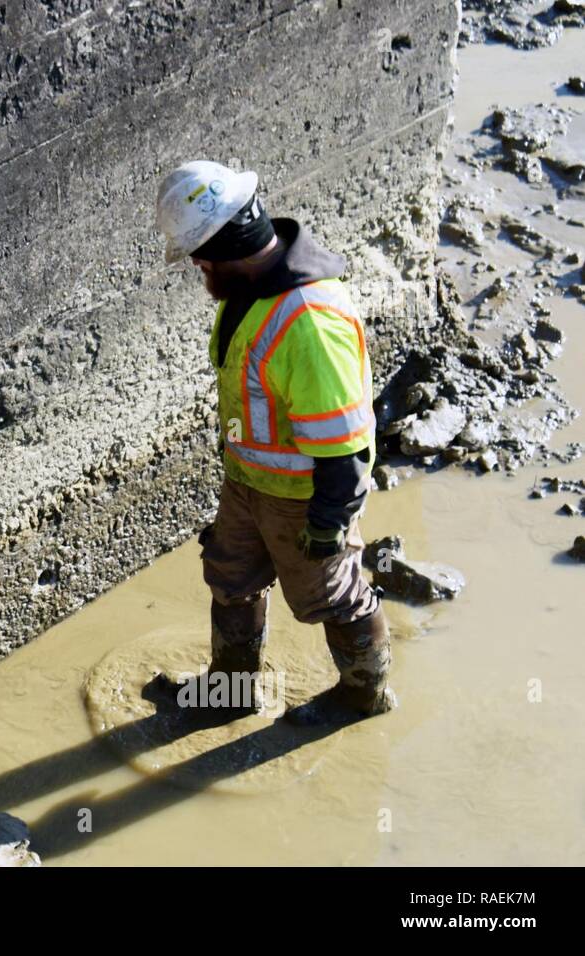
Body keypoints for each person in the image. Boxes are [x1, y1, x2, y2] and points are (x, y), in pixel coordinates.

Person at [153, 160, 397, 724]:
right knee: (230, 578)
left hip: (303, 497)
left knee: (332, 598)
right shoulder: (249, 293)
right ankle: (231, 695)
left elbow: (345, 444)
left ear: (227, 247)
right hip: (247, 481)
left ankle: (364, 696)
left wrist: (329, 522)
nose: (198, 269)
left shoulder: (309, 322)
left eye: (201, 260)